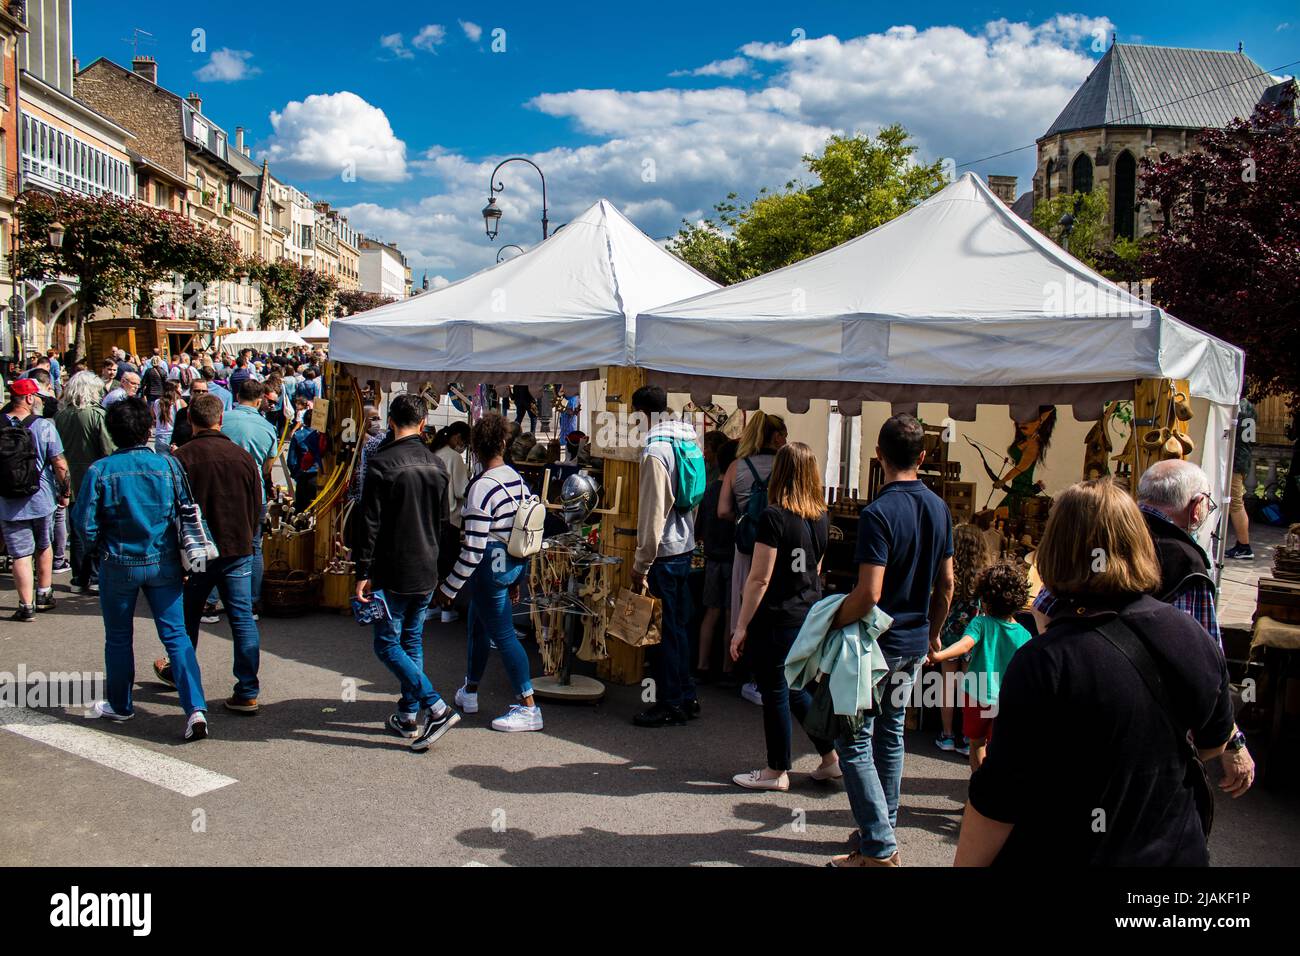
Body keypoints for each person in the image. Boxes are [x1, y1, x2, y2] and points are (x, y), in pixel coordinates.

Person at [956, 479, 1254, 866]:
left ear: (1056, 550)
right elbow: (1212, 741)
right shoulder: (1191, 635)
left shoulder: (1047, 660)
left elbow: (1001, 795)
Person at [827, 413, 954, 867]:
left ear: (877, 455)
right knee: (891, 734)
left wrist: (833, 621)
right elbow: (948, 585)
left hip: (876, 644)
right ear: (923, 457)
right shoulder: (940, 508)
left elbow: (869, 593)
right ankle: (881, 826)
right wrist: (935, 631)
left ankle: (879, 844)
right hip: (915, 641)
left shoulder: (878, 513)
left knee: (853, 739)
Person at [74, 398, 208, 741]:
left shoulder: (100, 470)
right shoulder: (168, 465)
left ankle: (121, 704)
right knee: (176, 636)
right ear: (149, 428)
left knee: (118, 637)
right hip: (163, 559)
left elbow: (84, 525)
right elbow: (186, 511)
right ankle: (194, 707)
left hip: (118, 561)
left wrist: (95, 550)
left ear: (112, 431)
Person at [728, 442, 839, 790]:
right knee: (796, 689)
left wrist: (741, 626)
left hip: (776, 616)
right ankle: (830, 757)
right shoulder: (821, 517)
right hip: (808, 613)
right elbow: (816, 568)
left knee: (776, 689)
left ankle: (777, 770)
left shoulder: (774, 517)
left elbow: (759, 578)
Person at [354, 393, 461, 751]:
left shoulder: (382, 463)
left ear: (390, 421)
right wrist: (443, 569)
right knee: (411, 640)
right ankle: (408, 713)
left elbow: (368, 524)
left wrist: (362, 570)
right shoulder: (437, 464)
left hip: (393, 567)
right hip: (426, 566)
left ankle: (435, 706)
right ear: (423, 424)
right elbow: (444, 523)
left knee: (387, 644)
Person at [1033, 458, 1225, 650]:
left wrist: (1063, 654)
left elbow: (1042, 608)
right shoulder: (1187, 562)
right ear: (1197, 505)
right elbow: (1204, 653)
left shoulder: (1099, 530)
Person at [153, 393, 263, 712]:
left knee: (187, 618)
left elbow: (169, 511)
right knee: (241, 617)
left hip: (196, 551)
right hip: (237, 546)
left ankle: (182, 675)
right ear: (220, 420)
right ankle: (247, 688)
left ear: (191, 422)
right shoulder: (242, 457)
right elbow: (256, 505)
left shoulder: (181, 458)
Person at [436, 412, 543, 733]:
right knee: (479, 629)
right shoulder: (516, 479)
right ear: (504, 443)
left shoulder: (480, 487)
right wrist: (518, 577)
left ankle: (529, 707)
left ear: (475, 449)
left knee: (503, 634)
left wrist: (449, 589)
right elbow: (523, 532)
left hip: (488, 568)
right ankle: (469, 691)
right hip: (511, 563)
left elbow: (471, 549)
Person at [630, 386, 702, 728]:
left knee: (660, 633)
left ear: (642, 413)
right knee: (678, 628)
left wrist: (640, 564)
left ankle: (668, 702)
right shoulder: (689, 441)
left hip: (663, 553)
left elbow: (652, 513)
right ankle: (686, 694)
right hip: (685, 545)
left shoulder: (655, 450)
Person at [929, 561, 1032, 771]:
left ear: (984, 597)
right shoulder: (1024, 634)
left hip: (976, 695)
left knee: (976, 742)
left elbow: (964, 644)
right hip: (1006, 700)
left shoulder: (981, 623)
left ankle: (977, 788)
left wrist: (939, 656)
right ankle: (992, 791)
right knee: (998, 747)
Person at [718, 410, 787, 706]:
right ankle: (764, 677)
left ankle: (735, 668)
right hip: (777, 548)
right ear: (774, 436)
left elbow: (722, 511)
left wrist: (743, 519)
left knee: (742, 607)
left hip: (745, 548)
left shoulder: (737, 466)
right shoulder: (786, 467)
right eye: (784, 433)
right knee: (771, 608)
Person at [1, 378, 71, 621]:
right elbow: (59, 463)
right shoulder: (44, 426)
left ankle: (26, 606)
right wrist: (65, 493)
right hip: (41, 496)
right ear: (30, 398)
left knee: (20, 554)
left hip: (8, 501)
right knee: (43, 545)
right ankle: (44, 593)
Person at [219, 378, 279, 614]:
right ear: (259, 399)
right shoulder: (267, 427)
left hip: (221, 490)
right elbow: (267, 467)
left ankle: (213, 599)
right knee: (253, 546)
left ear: (237, 396)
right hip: (254, 493)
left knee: (216, 543)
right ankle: (252, 601)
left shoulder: (222, 419)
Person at [54, 371, 116, 593]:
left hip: (69, 480)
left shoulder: (61, 416)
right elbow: (108, 449)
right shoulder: (97, 415)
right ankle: (95, 575)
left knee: (77, 529)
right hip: (94, 479)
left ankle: (80, 577)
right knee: (96, 526)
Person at [934, 523, 992, 756]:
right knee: (971, 688)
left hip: (948, 633)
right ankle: (969, 736)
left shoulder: (949, 571)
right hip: (973, 634)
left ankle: (947, 735)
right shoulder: (983, 575)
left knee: (948, 685)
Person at [695, 437, 737, 678]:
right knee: (731, 614)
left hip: (711, 558)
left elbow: (698, 529)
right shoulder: (737, 492)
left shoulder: (709, 491)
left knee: (711, 612)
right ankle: (727, 667)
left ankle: (702, 664)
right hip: (732, 557)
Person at [430, 421, 471, 625]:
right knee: (448, 565)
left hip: (431, 518)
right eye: (464, 440)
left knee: (435, 564)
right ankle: (447, 608)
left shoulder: (434, 452)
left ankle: (432, 606)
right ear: (456, 437)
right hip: (451, 519)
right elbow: (461, 490)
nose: (463, 445)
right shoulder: (454, 458)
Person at [1225, 397, 1255, 559]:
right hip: (1243, 458)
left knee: (1235, 502)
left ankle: (1244, 546)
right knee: (1235, 502)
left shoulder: (1237, 407)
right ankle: (1242, 545)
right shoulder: (1250, 407)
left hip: (1235, 461)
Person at [287, 398, 326, 512]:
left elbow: (291, 461)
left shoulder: (298, 435)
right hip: (322, 477)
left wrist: (297, 475)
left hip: (305, 478)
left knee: (300, 511)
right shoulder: (323, 436)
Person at [151, 380, 184, 455]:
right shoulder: (180, 402)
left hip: (160, 436)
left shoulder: (157, 402)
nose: (181, 390)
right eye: (180, 387)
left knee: (163, 462)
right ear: (175, 389)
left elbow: (152, 418)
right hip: (174, 436)